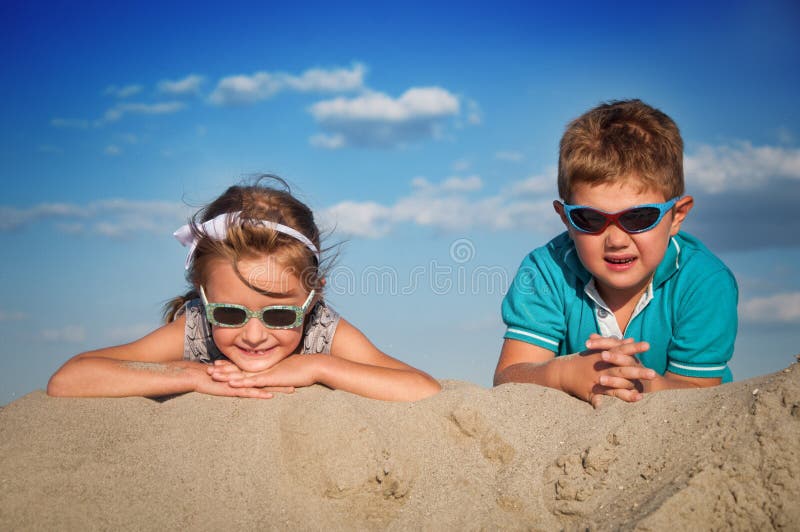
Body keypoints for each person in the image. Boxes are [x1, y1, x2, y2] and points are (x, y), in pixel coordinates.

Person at [48, 177, 441, 402]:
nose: (254, 335)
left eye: (281, 315)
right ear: (202, 296)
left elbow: (424, 389)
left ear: (313, 297)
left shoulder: (322, 329)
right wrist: (189, 375)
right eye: (230, 313)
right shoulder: (196, 329)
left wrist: (320, 366)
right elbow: (69, 379)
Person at [494, 99, 738, 407]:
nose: (616, 240)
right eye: (591, 218)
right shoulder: (545, 271)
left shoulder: (704, 282)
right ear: (565, 219)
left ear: (677, 215)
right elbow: (509, 376)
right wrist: (562, 374)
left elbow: (700, 390)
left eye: (639, 217)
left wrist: (634, 383)